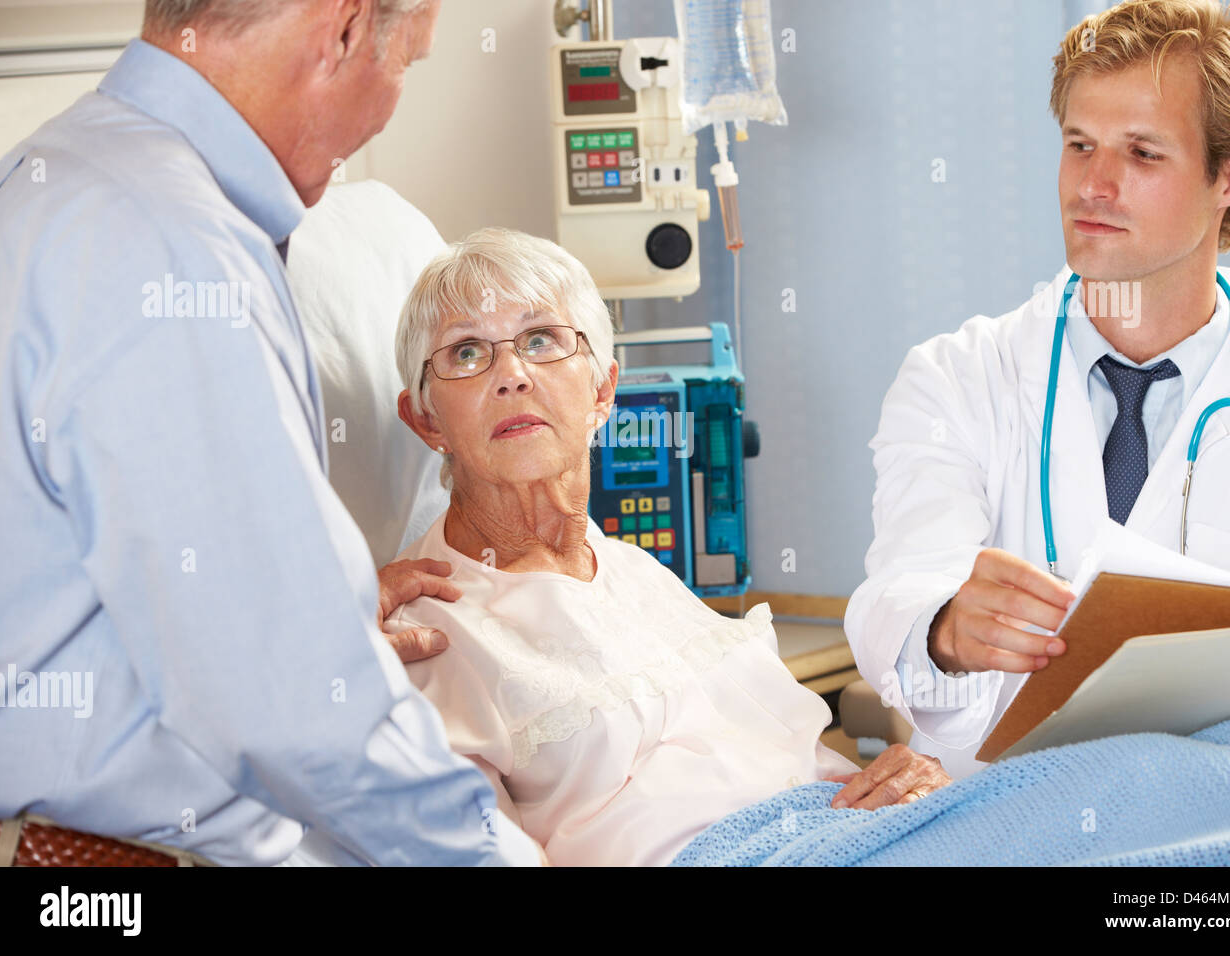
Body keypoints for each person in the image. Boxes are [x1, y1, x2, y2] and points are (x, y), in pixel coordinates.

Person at [0, 0, 545, 866]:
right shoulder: (174, 252)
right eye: (408, 63)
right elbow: (292, 709)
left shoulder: (56, 176)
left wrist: (319, 615)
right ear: (346, 30)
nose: (391, 103)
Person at [385, 226, 952, 867]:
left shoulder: (638, 575)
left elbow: (792, 762)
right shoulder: (425, 634)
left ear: (602, 392)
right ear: (426, 420)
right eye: (465, 352)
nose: (512, 374)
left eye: (540, 339)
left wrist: (897, 788)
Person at [846, 0, 1230, 780]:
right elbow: (900, 592)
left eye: (1142, 154)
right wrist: (947, 627)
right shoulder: (956, 380)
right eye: (1079, 144)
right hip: (1007, 825)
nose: (1094, 184)